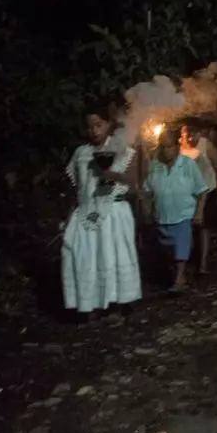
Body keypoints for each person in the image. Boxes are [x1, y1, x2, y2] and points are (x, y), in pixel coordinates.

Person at [61, 103, 142, 321]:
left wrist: (113, 175)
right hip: (87, 212)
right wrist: (69, 216)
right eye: (90, 126)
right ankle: (90, 304)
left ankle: (115, 306)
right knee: (87, 257)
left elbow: (134, 185)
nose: (95, 130)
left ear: (109, 123)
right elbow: (75, 188)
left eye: (99, 124)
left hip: (114, 211)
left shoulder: (123, 147)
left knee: (111, 256)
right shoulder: (81, 153)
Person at [145, 127, 211, 291]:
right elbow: (147, 191)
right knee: (167, 248)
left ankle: (179, 280)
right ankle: (179, 274)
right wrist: (148, 210)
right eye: (163, 146)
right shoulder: (155, 166)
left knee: (181, 246)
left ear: (176, 146)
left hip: (183, 214)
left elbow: (202, 190)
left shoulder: (187, 164)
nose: (166, 150)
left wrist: (199, 212)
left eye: (169, 146)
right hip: (162, 214)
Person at [181, 124, 217, 274]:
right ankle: (191, 258)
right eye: (186, 132)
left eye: (192, 132)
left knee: (204, 227)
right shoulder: (182, 147)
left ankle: (203, 263)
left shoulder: (206, 145)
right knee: (191, 226)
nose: (189, 136)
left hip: (208, 189)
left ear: (198, 132)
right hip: (189, 193)